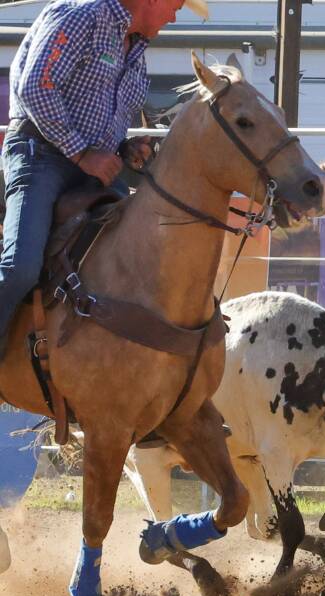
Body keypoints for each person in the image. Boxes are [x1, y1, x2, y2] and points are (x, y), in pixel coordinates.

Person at [0, 0, 208, 357]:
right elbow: (36, 87)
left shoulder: (135, 47)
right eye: (175, 5)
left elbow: (103, 119)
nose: (175, 15)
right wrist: (83, 153)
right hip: (40, 154)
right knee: (21, 267)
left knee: (135, 256)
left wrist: (125, 148)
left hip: (94, 166)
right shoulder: (83, 16)